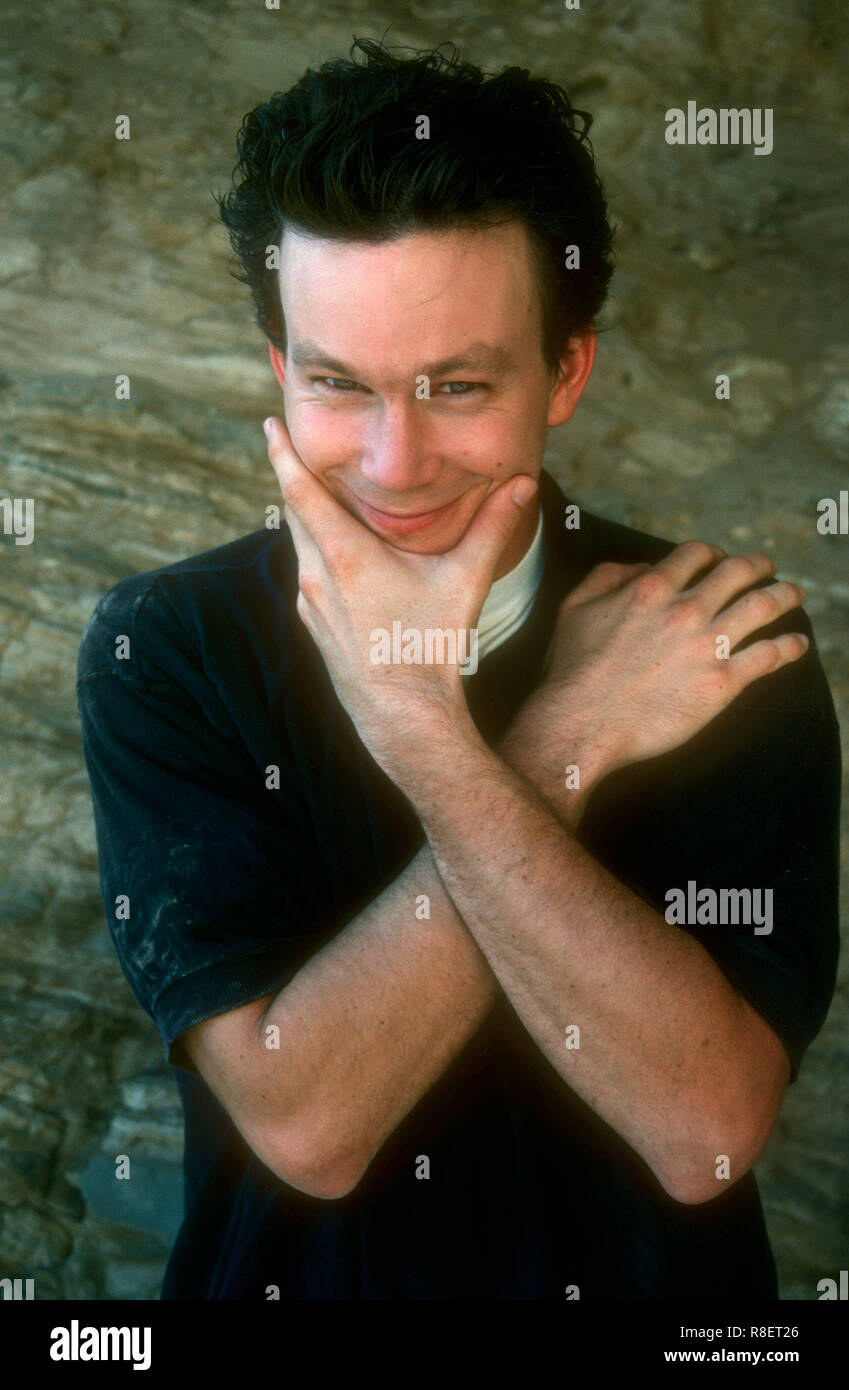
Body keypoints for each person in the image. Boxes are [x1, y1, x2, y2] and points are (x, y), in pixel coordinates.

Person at [76, 38, 841, 1300]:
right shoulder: (163, 648)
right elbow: (307, 1126)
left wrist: (428, 737)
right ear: (281, 372)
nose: (395, 462)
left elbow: (704, 1127)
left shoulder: (712, 637)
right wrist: (546, 737)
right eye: (339, 384)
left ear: (566, 370)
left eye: (457, 384)